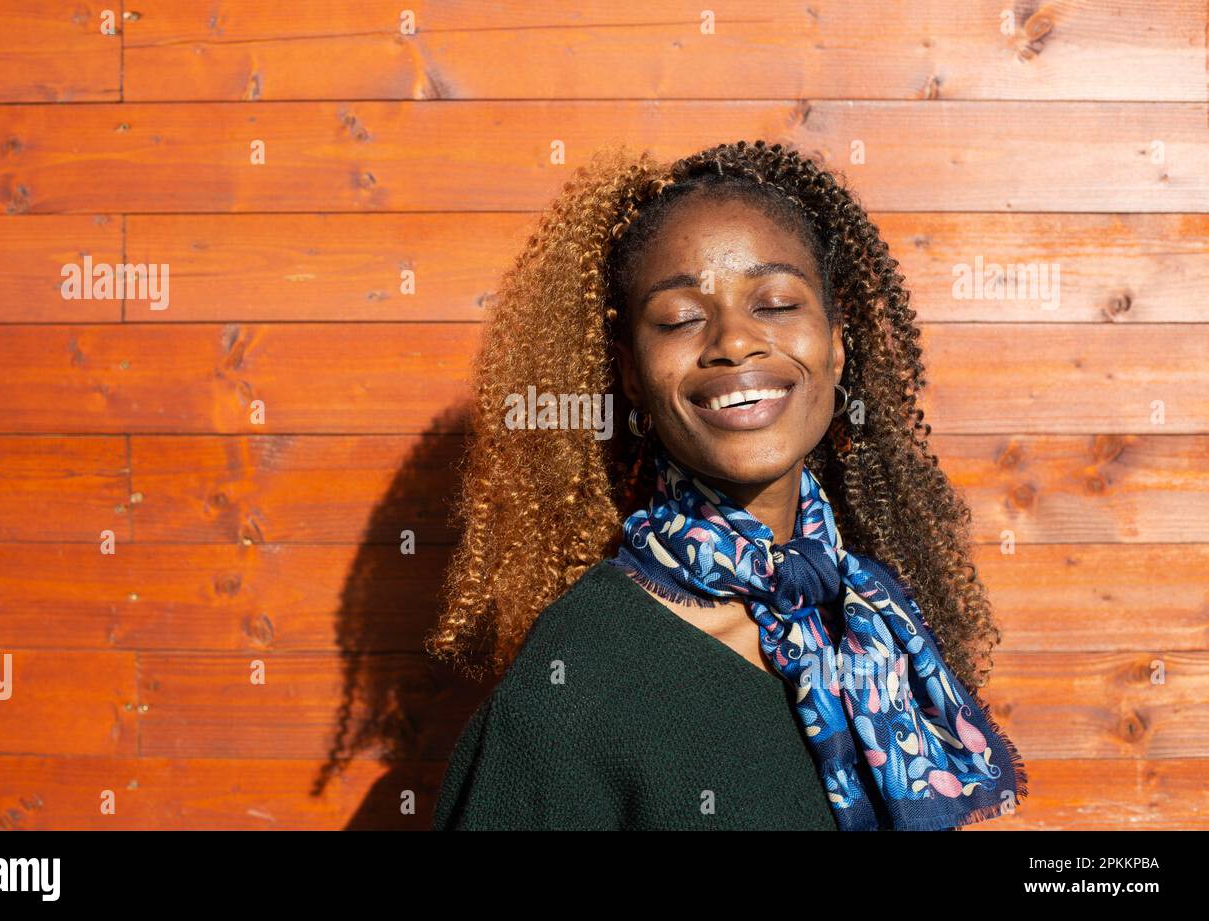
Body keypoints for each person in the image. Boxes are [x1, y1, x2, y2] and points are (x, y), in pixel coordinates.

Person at [425, 140, 1027, 830]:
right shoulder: (576, 677)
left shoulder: (873, 617)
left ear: (835, 344)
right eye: (680, 318)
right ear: (629, 373)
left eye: (775, 304)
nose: (734, 341)